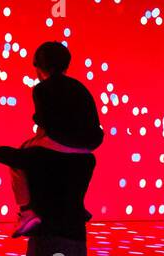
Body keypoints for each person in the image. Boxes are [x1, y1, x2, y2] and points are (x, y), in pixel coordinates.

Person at [10, 41, 103, 238]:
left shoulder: (41, 89)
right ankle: (75, 205)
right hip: (87, 146)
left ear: (38, 66)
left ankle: (26, 211)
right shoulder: (79, 86)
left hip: (61, 142)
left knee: (17, 160)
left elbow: (46, 122)